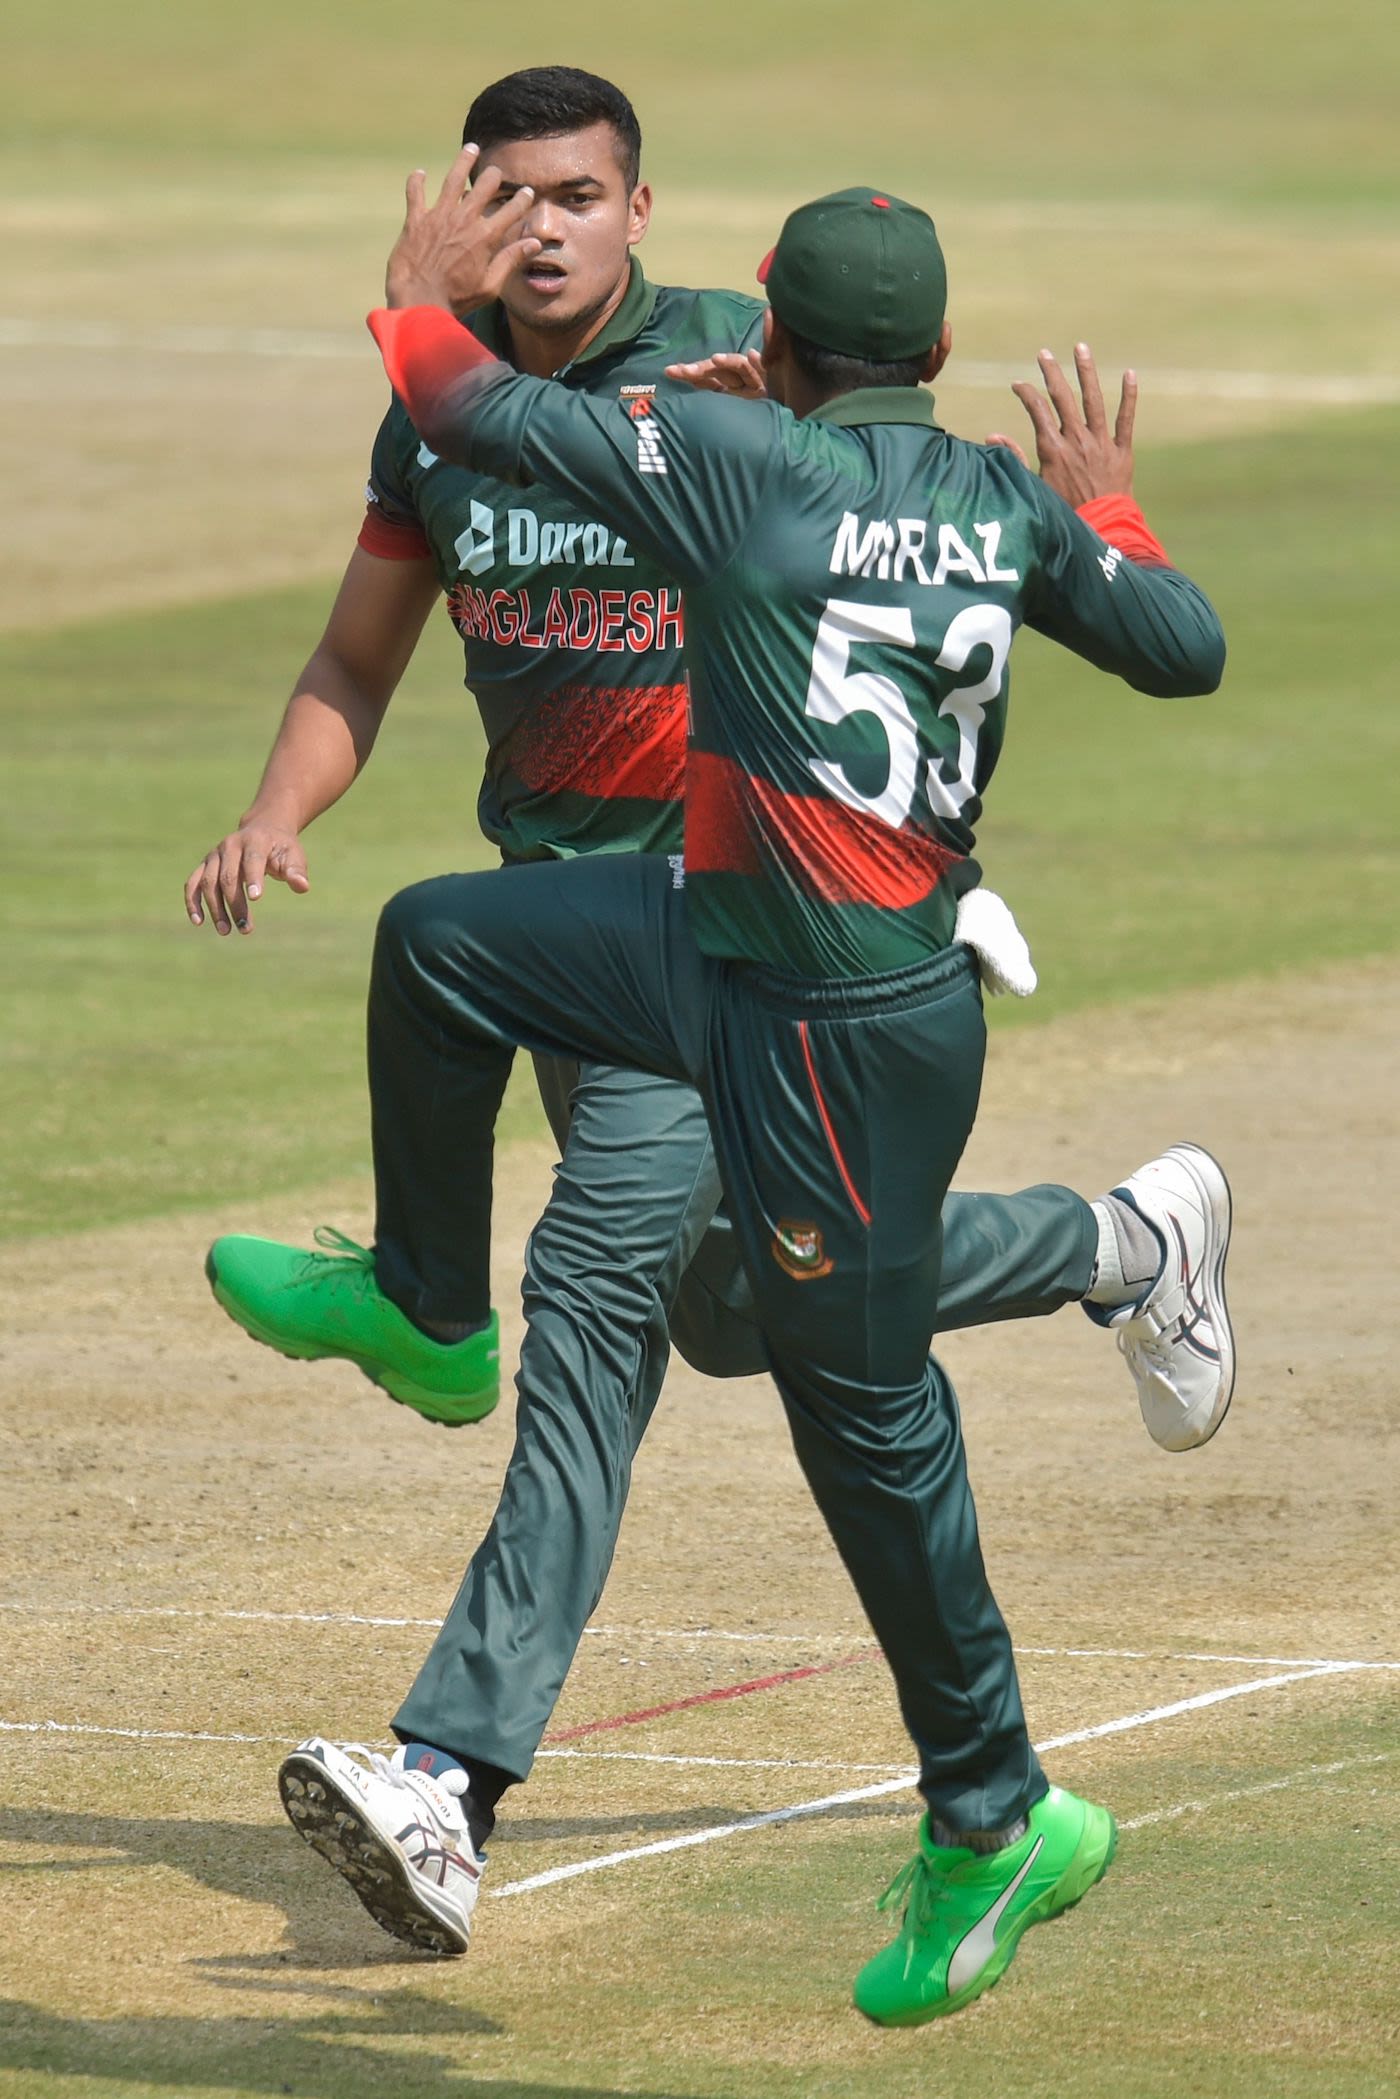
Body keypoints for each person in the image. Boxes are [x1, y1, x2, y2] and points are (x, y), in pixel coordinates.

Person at [219, 154, 1230, 2024]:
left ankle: (991, 1813)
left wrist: (409, 283)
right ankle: (436, 1308)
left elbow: (459, 398)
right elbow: (1186, 650)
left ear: (773, 332)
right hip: (715, 932)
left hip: (841, 1028)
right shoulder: (1005, 498)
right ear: (931, 350)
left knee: (842, 1404)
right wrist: (1106, 510)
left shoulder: (739, 462)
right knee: (446, 944)